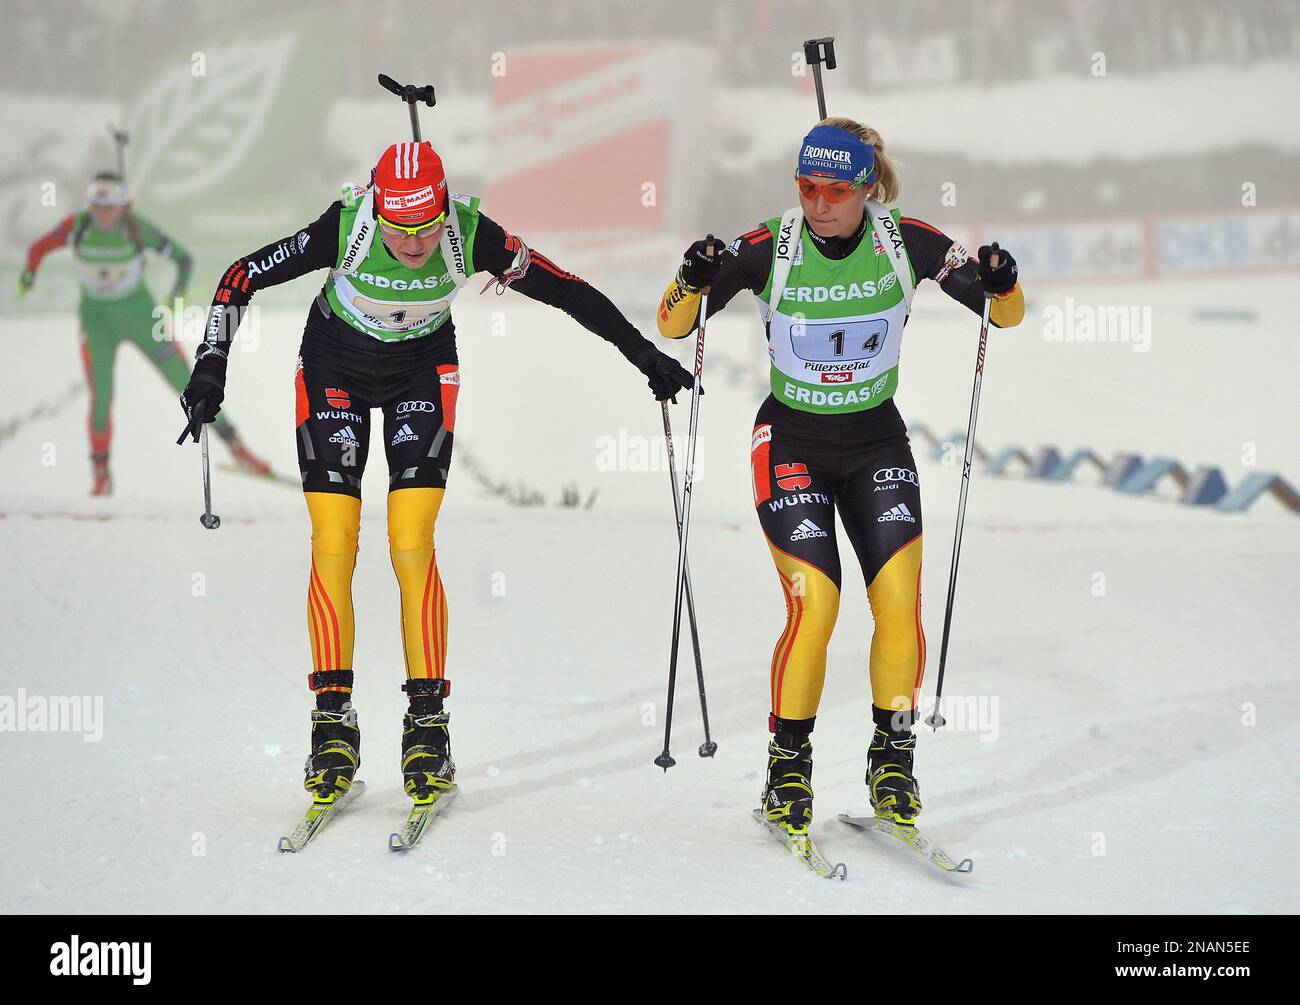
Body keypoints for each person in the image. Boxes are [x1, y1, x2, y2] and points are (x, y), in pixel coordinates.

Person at [179, 140, 693, 807]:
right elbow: (240, 274)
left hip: (420, 370)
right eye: (399, 228)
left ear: (444, 209)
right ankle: (331, 723)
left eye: (425, 226)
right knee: (335, 539)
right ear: (377, 209)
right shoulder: (346, 225)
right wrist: (210, 362)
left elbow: (565, 289)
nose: (415, 242)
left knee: (411, 540)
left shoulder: (471, 235)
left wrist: (642, 354)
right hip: (333, 365)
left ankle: (427, 726)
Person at [656, 119, 1024, 836]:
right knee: (816, 604)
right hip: (790, 438)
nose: (818, 202)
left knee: (897, 602)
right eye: (805, 186)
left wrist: (1005, 281)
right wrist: (690, 276)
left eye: (833, 189)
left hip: (876, 440)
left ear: (865, 188)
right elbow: (675, 324)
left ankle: (893, 756)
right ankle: (787, 768)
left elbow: (1001, 315)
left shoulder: (904, 240)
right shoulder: (769, 246)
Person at [18, 171, 269, 495]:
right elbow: (38, 248)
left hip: (141, 318)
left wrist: (178, 293)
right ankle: (101, 475)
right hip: (97, 324)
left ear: (123, 206)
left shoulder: (136, 228)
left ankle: (237, 448)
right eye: (97, 205)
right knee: (102, 396)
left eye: (109, 206)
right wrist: (28, 274)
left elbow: (183, 258)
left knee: (188, 383)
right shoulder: (76, 226)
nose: (102, 213)